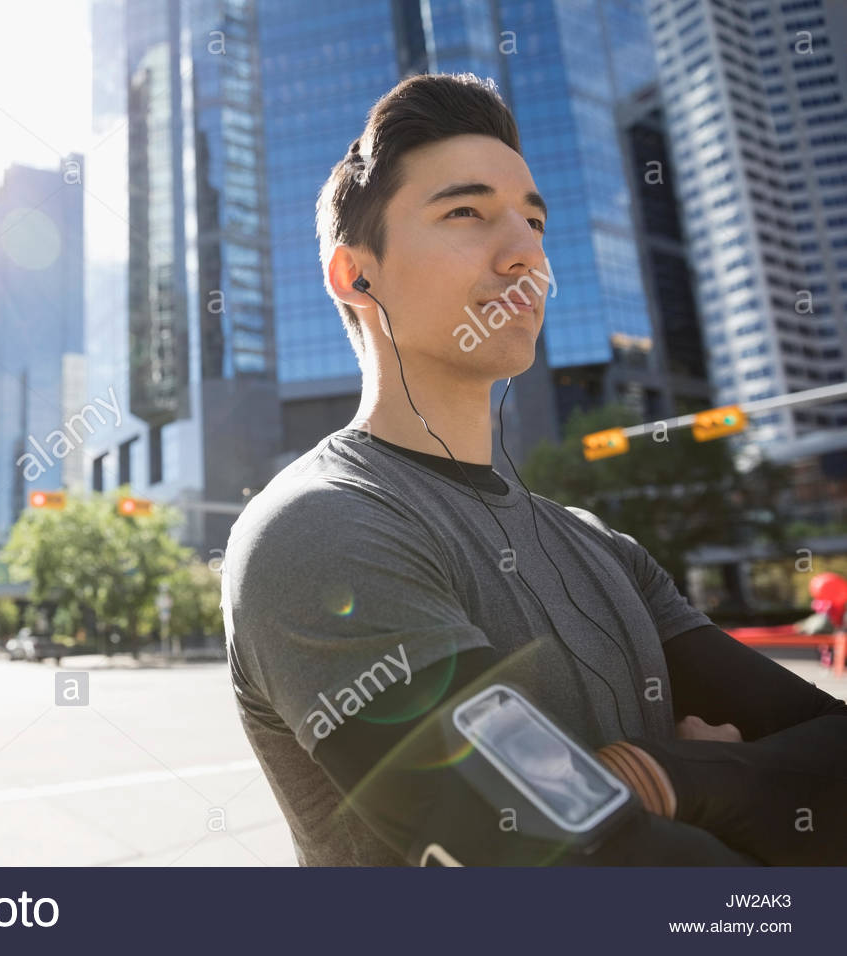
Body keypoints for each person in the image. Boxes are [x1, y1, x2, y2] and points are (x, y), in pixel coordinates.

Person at [219, 72, 847, 867]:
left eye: (535, 221)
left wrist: (680, 780)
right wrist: (761, 795)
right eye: (467, 213)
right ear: (356, 274)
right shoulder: (318, 528)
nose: (528, 256)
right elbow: (566, 868)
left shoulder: (603, 549)